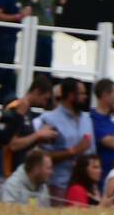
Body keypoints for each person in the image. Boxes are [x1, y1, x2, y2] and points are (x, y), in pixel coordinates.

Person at [38, 76, 95, 204]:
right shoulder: (50, 119)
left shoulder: (87, 120)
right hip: (58, 185)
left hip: (83, 187)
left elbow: (92, 152)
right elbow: (43, 156)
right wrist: (73, 151)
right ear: (70, 95)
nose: (85, 97)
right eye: (82, 93)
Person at [0, 74, 56, 178]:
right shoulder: (16, 108)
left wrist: (40, 138)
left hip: (20, 172)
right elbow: (12, 145)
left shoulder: (27, 111)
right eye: (45, 99)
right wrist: (38, 135)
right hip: (9, 173)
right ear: (37, 91)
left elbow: (24, 140)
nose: (45, 103)